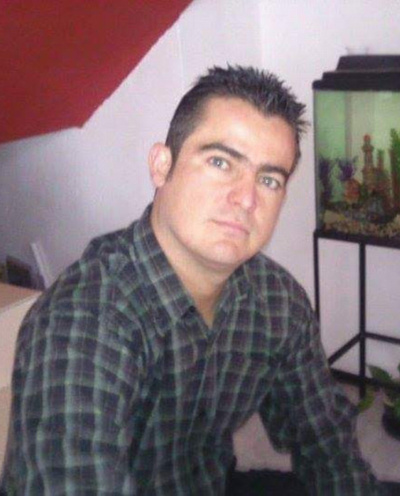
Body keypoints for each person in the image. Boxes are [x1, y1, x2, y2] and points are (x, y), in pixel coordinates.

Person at [1, 66, 382, 495]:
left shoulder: (278, 301)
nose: (246, 199)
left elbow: (325, 443)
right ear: (161, 166)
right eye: (220, 162)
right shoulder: (83, 321)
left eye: (268, 179)